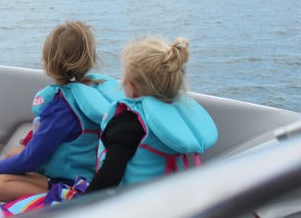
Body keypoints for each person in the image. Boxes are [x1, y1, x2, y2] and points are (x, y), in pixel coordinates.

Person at [0, 20, 122, 202]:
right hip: (86, 173)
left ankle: (64, 197)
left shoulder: (61, 109)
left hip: (72, 183)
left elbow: (31, 160)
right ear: (89, 58)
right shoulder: (93, 91)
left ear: (47, 60)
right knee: (14, 152)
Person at [85, 36, 217, 193]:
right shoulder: (180, 118)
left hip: (135, 208)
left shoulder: (127, 124)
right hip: (172, 202)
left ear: (132, 88)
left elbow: (109, 175)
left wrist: (79, 206)